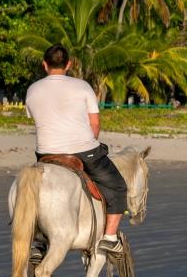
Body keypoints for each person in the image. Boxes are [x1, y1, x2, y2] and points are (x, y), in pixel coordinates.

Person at [25, 45, 128, 256]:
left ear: (45, 65)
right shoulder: (82, 87)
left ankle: (37, 243)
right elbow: (95, 126)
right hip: (83, 152)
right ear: (69, 64)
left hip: (46, 155)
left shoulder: (32, 89)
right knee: (117, 187)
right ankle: (109, 238)